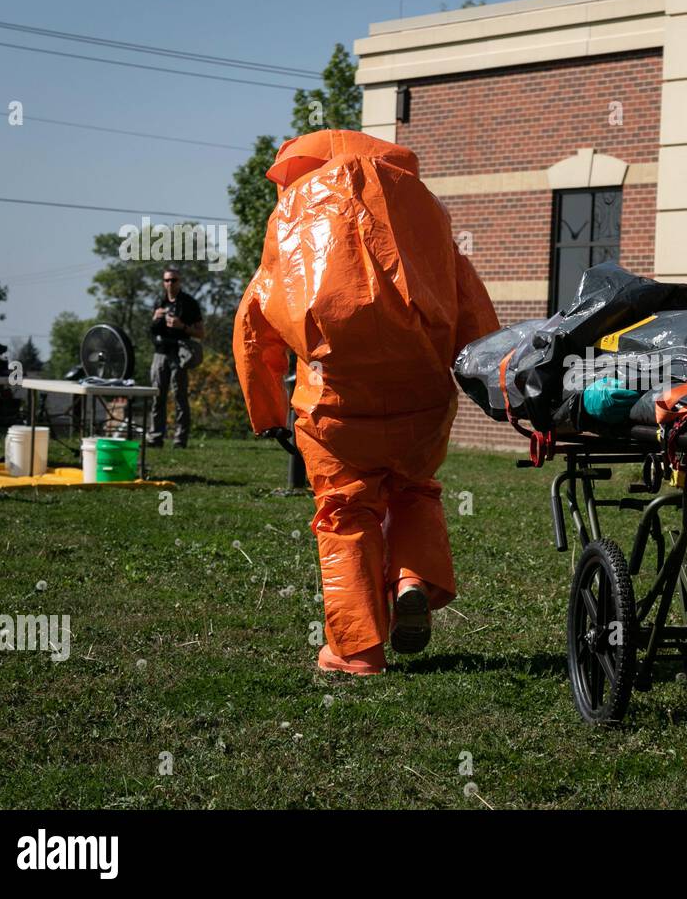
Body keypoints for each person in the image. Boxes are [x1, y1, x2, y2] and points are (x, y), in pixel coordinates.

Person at [233, 129, 499, 677]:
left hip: (335, 400)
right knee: (414, 490)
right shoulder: (425, 213)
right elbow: (471, 303)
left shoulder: (292, 216)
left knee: (345, 511)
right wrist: (495, 386)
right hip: (421, 398)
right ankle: (410, 581)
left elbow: (255, 320)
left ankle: (356, 649)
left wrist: (264, 408)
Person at [147, 267, 204, 448]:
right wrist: (155, 318)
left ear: (180, 282)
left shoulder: (189, 303)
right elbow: (151, 330)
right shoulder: (159, 302)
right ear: (163, 283)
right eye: (167, 280)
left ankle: (180, 440)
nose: (170, 284)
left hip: (179, 354)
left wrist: (182, 327)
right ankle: (156, 437)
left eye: (174, 280)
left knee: (179, 397)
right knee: (157, 397)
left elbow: (201, 333)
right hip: (159, 354)